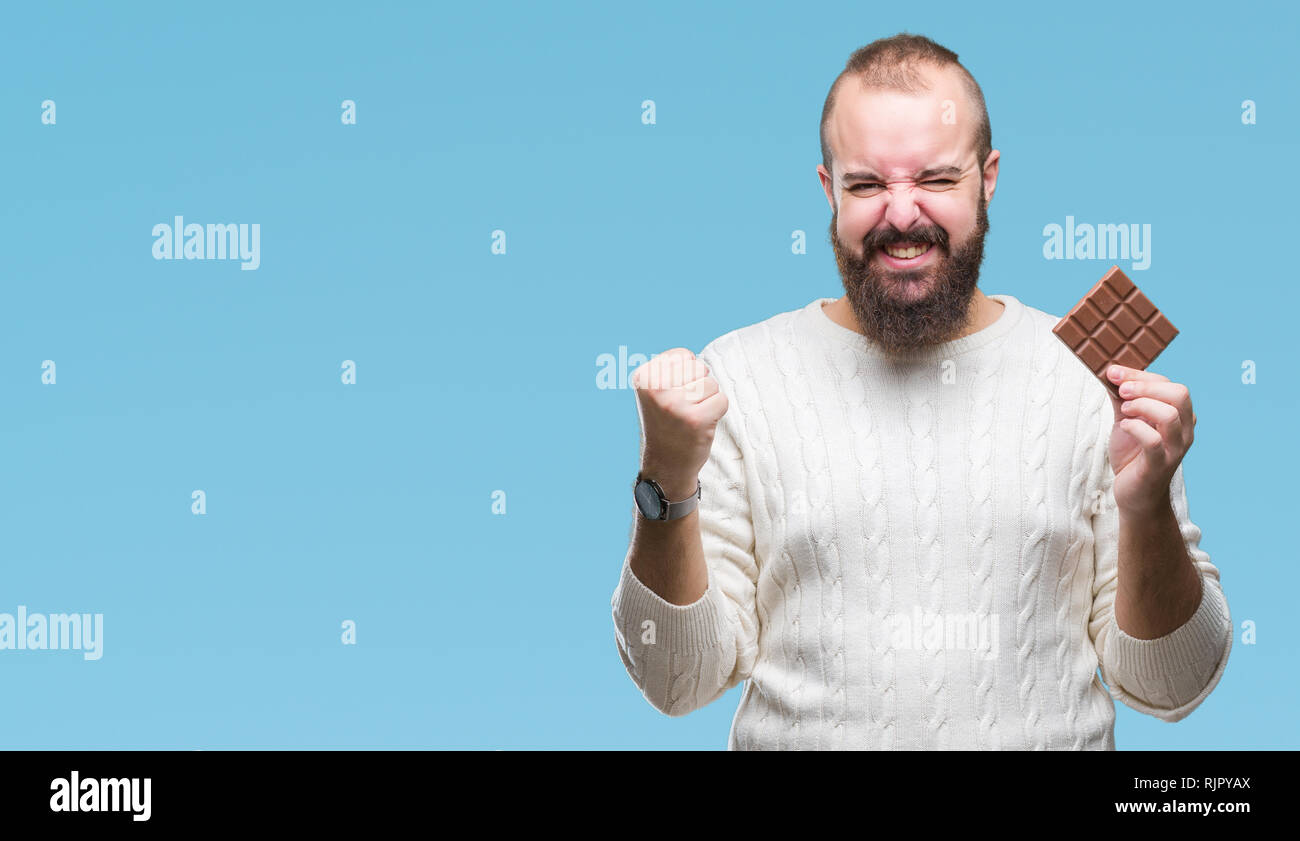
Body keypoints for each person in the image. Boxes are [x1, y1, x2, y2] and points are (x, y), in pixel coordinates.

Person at [609, 32, 1232, 750]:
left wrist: (1147, 503)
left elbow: (1174, 684)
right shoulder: (742, 376)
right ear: (826, 188)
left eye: (936, 180)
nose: (902, 216)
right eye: (868, 185)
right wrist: (666, 480)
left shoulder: (1092, 379)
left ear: (988, 177)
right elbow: (676, 680)